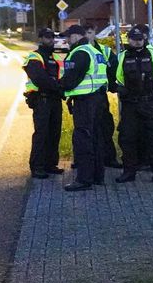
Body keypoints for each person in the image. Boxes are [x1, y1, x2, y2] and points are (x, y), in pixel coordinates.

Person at [113, 25, 153, 184]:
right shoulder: (121, 57)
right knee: (128, 139)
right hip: (130, 105)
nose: (136, 43)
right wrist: (118, 89)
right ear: (129, 40)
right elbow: (109, 77)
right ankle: (129, 172)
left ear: (145, 39)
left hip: (149, 104)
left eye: (139, 39)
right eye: (133, 40)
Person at [57, 25, 110, 191]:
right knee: (96, 138)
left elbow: (72, 79)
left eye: (67, 37)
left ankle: (84, 179)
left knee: (83, 139)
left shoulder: (80, 53)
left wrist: (57, 87)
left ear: (75, 36)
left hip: (86, 101)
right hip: (98, 99)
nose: (66, 41)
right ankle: (97, 176)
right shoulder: (94, 51)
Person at [23, 27, 64, 179]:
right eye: (48, 38)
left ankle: (51, 164)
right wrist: (58, 88)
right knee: (42, 134)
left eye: (53, 37)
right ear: (40, 39)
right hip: (42, 100)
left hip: (55, 100)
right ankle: (37, 166)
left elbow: (62, 76)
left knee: (54, 132)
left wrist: (61, 89)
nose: (51, 40)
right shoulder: (34, 57)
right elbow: (39, 78)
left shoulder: (56, 58)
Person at [86, 25, 122, 170]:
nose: (87, 36)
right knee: (85, 130)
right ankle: (84, 160)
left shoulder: (105, 51)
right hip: (84, 97)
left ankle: (109, 158)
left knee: (106, 127)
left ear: (94, 33)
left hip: (101, 96)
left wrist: (112, 85)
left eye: (90, 32)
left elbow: (115, 69)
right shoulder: (78, 51)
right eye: (85, 33)